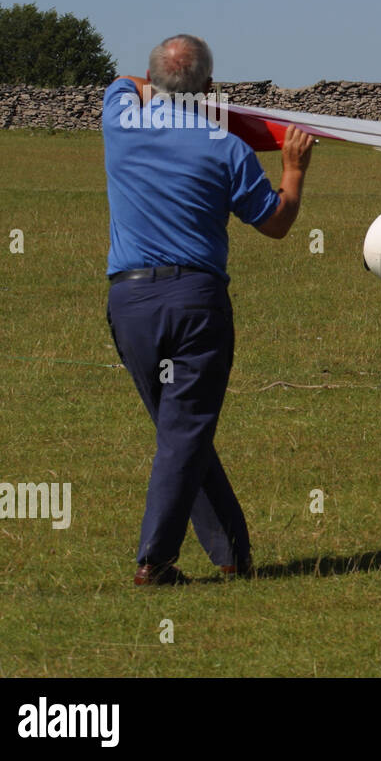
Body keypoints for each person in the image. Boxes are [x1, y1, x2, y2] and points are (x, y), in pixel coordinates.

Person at [102, 34, 314, 585]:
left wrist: (177, 91)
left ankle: (231, 553)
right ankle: (156, 560)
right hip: (196, 302)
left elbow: (128, 82)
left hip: (129, 302)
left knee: (181, 432)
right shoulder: (226, 148)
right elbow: (276, 223)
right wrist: (293, 170)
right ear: (210, 87)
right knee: (184, 431)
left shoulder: (120, 117)